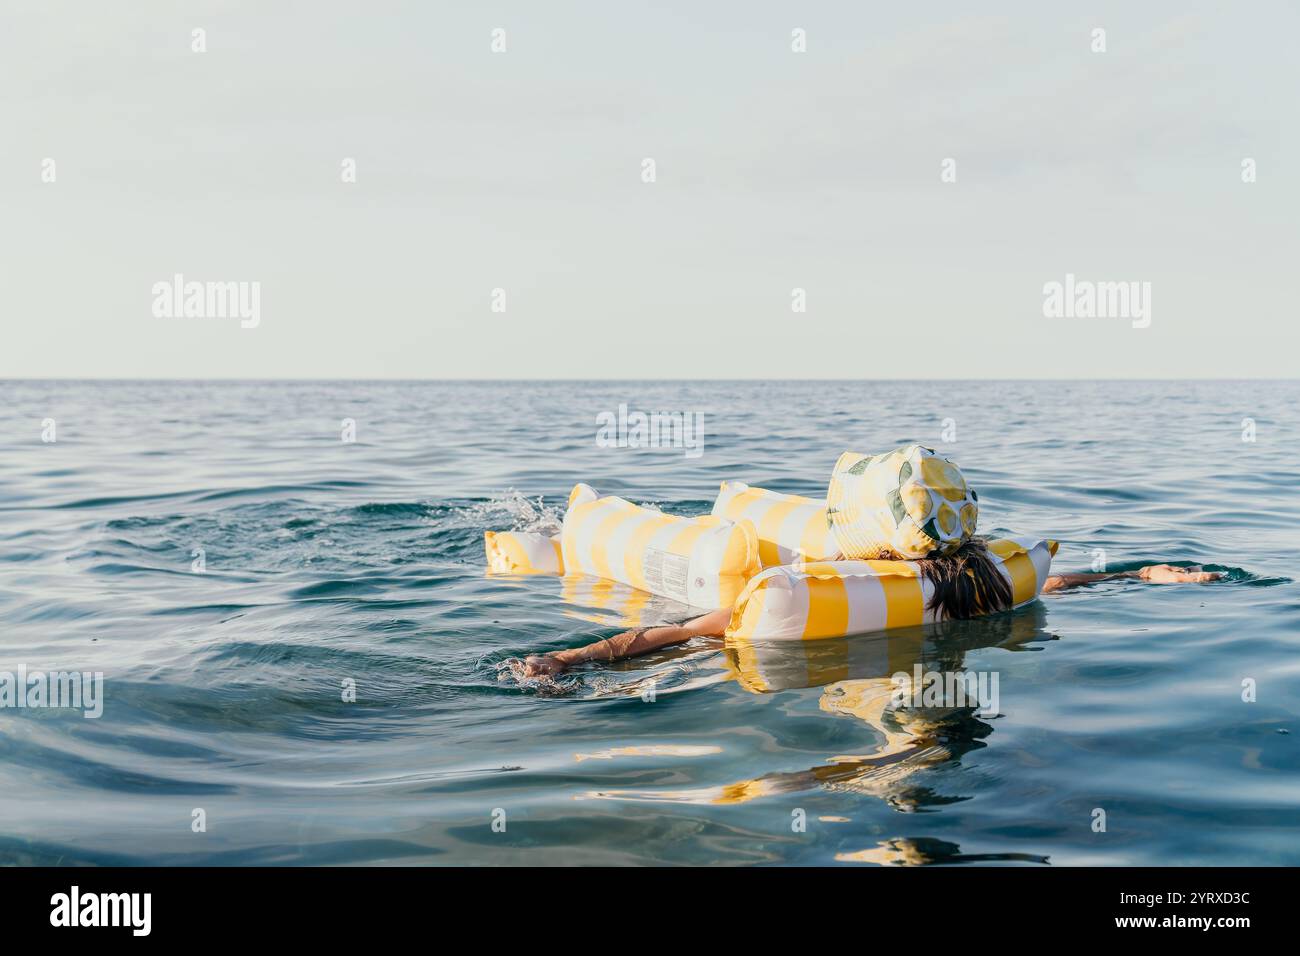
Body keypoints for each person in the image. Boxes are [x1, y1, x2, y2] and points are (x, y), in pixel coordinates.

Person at [520, 445, 1222, 678]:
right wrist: (1140, 574)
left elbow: (683, 633)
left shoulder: (824, 589)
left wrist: (572, 659)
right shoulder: (985, 581)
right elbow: (1056, 584)